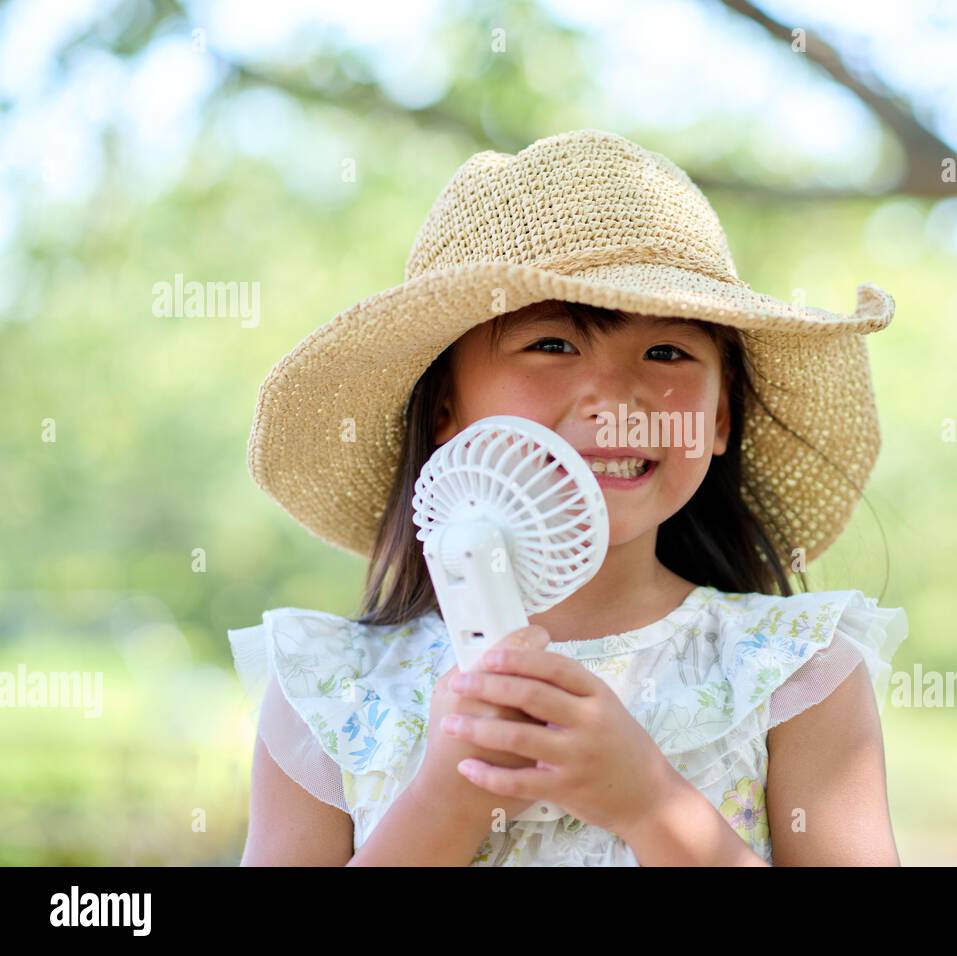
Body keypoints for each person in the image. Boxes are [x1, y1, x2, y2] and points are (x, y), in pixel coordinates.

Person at [227, 128, 907, 866]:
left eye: (668, 351)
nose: (615, 397)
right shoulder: (331, 690)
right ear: (444, 411)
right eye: (552, 344)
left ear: (718, 418)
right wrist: (444, 803)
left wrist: (650, 803)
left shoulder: (797, 671)